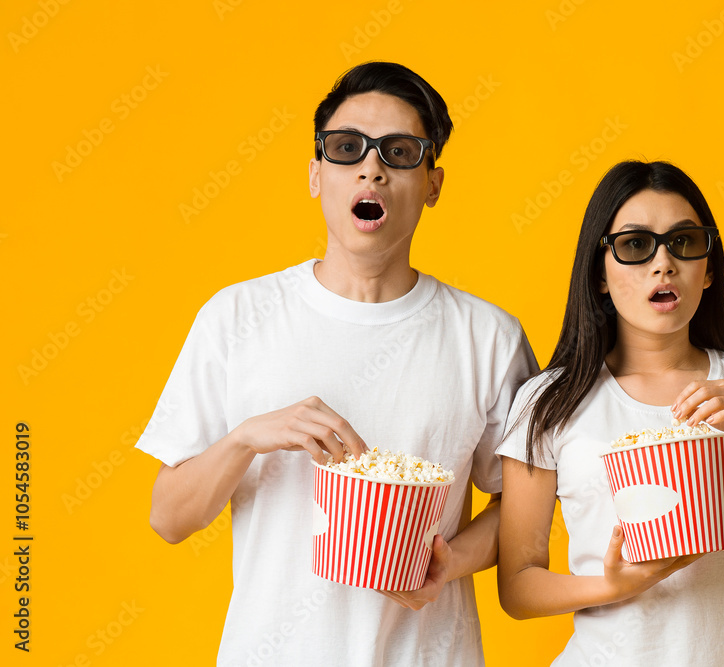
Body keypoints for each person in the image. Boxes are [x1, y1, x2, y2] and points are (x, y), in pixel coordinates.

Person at [136, 61, 536, 666]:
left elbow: (522, 504)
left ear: (433, 183)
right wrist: (247, 438)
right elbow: (168, 517)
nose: (371, 167)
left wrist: (452, 560)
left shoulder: (489, 338)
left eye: (400, 152)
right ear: (316, 175)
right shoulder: (237, 315)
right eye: (347, 148)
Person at [496, 160, 724, 665]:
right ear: (601, 275)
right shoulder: (549, 402)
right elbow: (518, 588)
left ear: (709, 268)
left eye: (685, 243)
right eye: (636, 246)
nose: (664, 264)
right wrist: (613, 585)